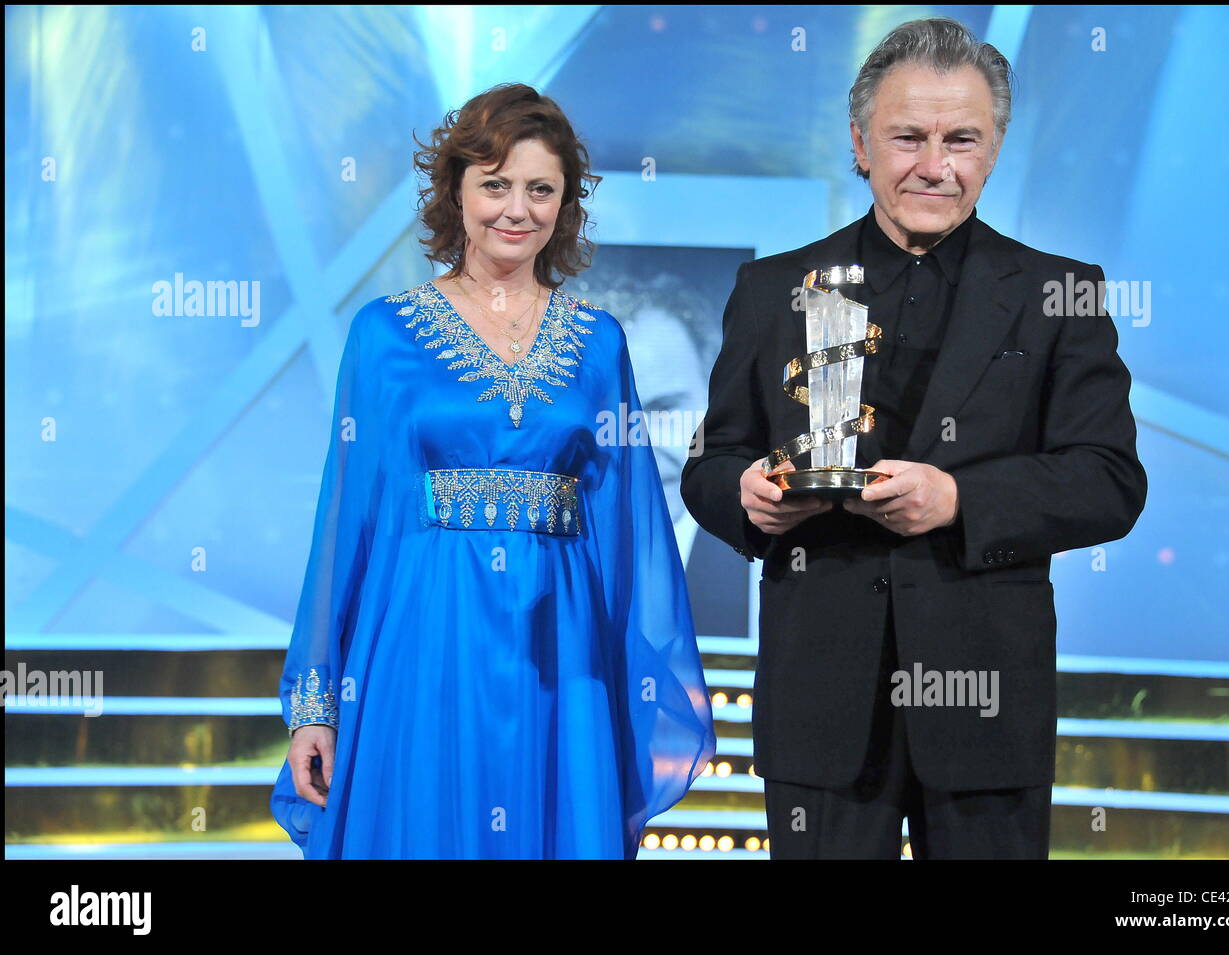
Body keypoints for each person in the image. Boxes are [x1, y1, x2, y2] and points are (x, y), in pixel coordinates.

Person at [680, 18, 1147, 859]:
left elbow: (1109, 478)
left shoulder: (1060, 292)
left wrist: (960, 500)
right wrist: (747, 497)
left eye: (962, 138)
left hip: (986, 701)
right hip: (820, 698)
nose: (936, 165)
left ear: (995, 147)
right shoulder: (773, 287)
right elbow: (710, 463)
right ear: (861, 143)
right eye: (908, 138)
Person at [270, 83, 715, 859]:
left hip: (563, 651)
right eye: (495, 184)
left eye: (541, 189)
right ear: (456, 191)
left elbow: (625, 533)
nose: (517, 209)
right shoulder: (384, 336)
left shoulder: (600, 342)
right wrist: (316, 702)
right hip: (421, 639)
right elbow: (346, 526)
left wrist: (624, 692)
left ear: (565, 204)